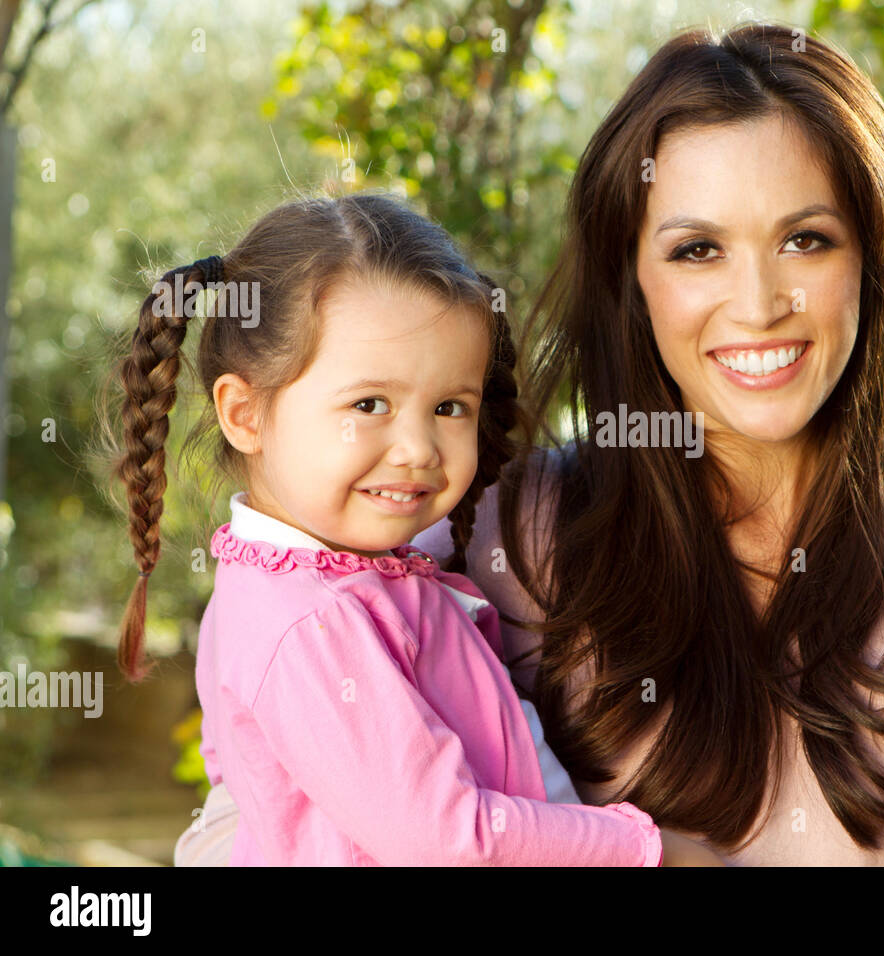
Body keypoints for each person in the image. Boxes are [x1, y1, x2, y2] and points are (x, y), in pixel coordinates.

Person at [177, 23, 884, 866]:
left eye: (806, 240)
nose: (760, 301)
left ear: (872, 259)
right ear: (633, 284)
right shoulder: (506, 536)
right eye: (698, 250)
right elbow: (255, 817)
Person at [112, 193, 719, 865]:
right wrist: (646, 848)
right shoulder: (308, 621)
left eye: (449, 406)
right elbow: (443, 837)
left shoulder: (334, 578)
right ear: (246, 414)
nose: (419, 447)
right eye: (369, 403)